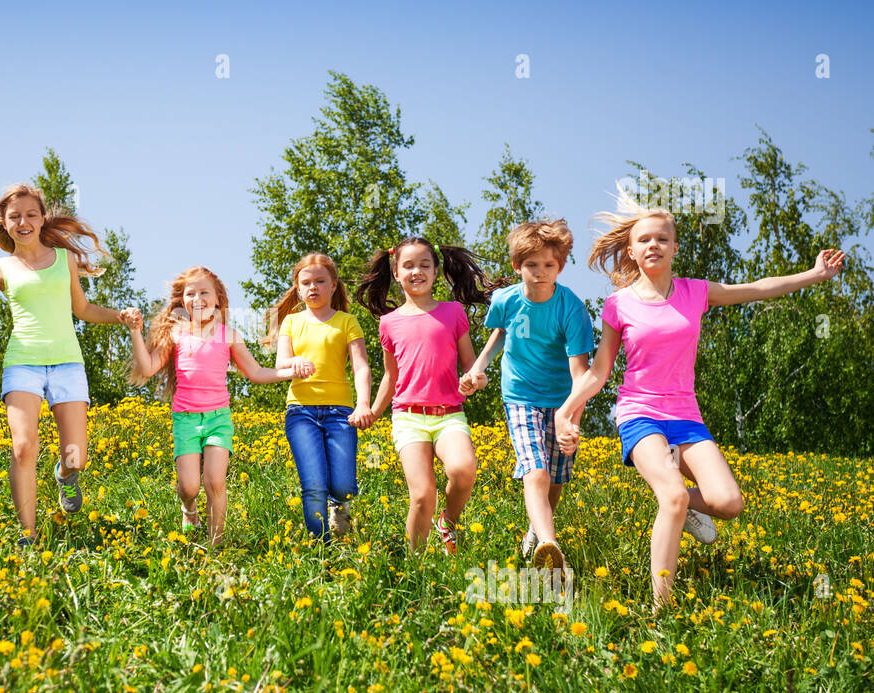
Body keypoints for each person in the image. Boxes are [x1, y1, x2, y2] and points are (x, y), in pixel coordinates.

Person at [555, 190, 845, 608]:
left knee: (728, 502)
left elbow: (758, 288)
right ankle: (661, 607)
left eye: (661, 239)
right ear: (632, 251)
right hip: (639, 412)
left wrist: (814, 275)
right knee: (670, 496)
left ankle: (687, 508)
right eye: (644, 240)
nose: (653, 245)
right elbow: (599, 371)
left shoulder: (695, 292)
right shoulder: (618, 305)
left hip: (685, 415)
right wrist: (567, 412)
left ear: (674, 247)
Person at [0, 182, 137, 545]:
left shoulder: (63, 260)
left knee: (77, 456)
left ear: (41, 219)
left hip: (68, 364)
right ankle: (28, 535)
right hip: (23, 364)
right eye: (14, 216)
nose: (23, 221)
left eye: (30, 214)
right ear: (4, 224)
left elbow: (82, 310)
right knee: (23, 447)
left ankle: (65, 476)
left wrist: (120, 316)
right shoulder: (0, 268)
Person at [126, 266, 304, 547]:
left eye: (204, 292)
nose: (197, 299)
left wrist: (289, 372)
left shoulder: (228, 335)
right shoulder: (175, 334)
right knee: (189, 487)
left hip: (218, 419)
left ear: (218, 298)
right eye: (190, 293)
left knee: (214, 482)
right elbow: (148, 368)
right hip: (185, 419)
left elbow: (255, 373)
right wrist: (135, 332)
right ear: (182, 301)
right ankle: (189, 510)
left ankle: (214, 546)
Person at [357, 238, 507, 553]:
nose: (417, 271)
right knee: (423, 494)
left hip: (449, 414)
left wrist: (474, 380)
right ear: (396, 272)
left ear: (436, 271)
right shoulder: (389, 323)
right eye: (408, 266)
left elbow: (472, 367)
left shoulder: (453, 313)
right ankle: (416, 566)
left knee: (463, 470)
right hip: (408, 418)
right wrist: (372, 410)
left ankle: (448, 521)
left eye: (425, 265)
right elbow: (390, 375)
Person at [463, 219, 594, 570]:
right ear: (516, 266)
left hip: (563, 401)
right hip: (519, 394)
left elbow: (580, 373)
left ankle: (536, 532)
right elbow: (501, 335)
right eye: (531, 265)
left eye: (549, 265)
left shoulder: (572, 309)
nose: (540, 272)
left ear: (561, 266)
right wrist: (479, 367)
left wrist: (571, 421)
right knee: (536, 471)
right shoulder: (506, 299)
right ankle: (551, 546)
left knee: (556, 479)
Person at [266, 253, 373, 542]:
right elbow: (280, 364)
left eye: (320, 281)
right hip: (300, 411)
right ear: (298, 289)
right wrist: (294, 364)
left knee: (342, 485)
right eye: (306, 283)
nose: (313, 287)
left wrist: (363, 403)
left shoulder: (347, 322)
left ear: (334, 285)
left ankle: (339, 505)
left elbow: (361, 367)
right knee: (313, 485)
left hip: (341, 412)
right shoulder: (290, 322)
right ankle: (320, 548)